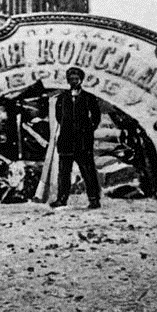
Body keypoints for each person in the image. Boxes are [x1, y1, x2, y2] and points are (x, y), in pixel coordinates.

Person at [50, 67, 103, 209]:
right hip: (66, 141)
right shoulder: (62, 98)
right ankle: (62, 199)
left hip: (83, 142)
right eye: (71, 78)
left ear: (81, 80)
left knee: (88, 171)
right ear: (68, 80)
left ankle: (94, 199)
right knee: (64, 172)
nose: (73, 81)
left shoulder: (89, 98)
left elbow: (96, 117)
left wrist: (87, 130)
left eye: (76, 78)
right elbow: (59, 117)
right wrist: (68, 129)